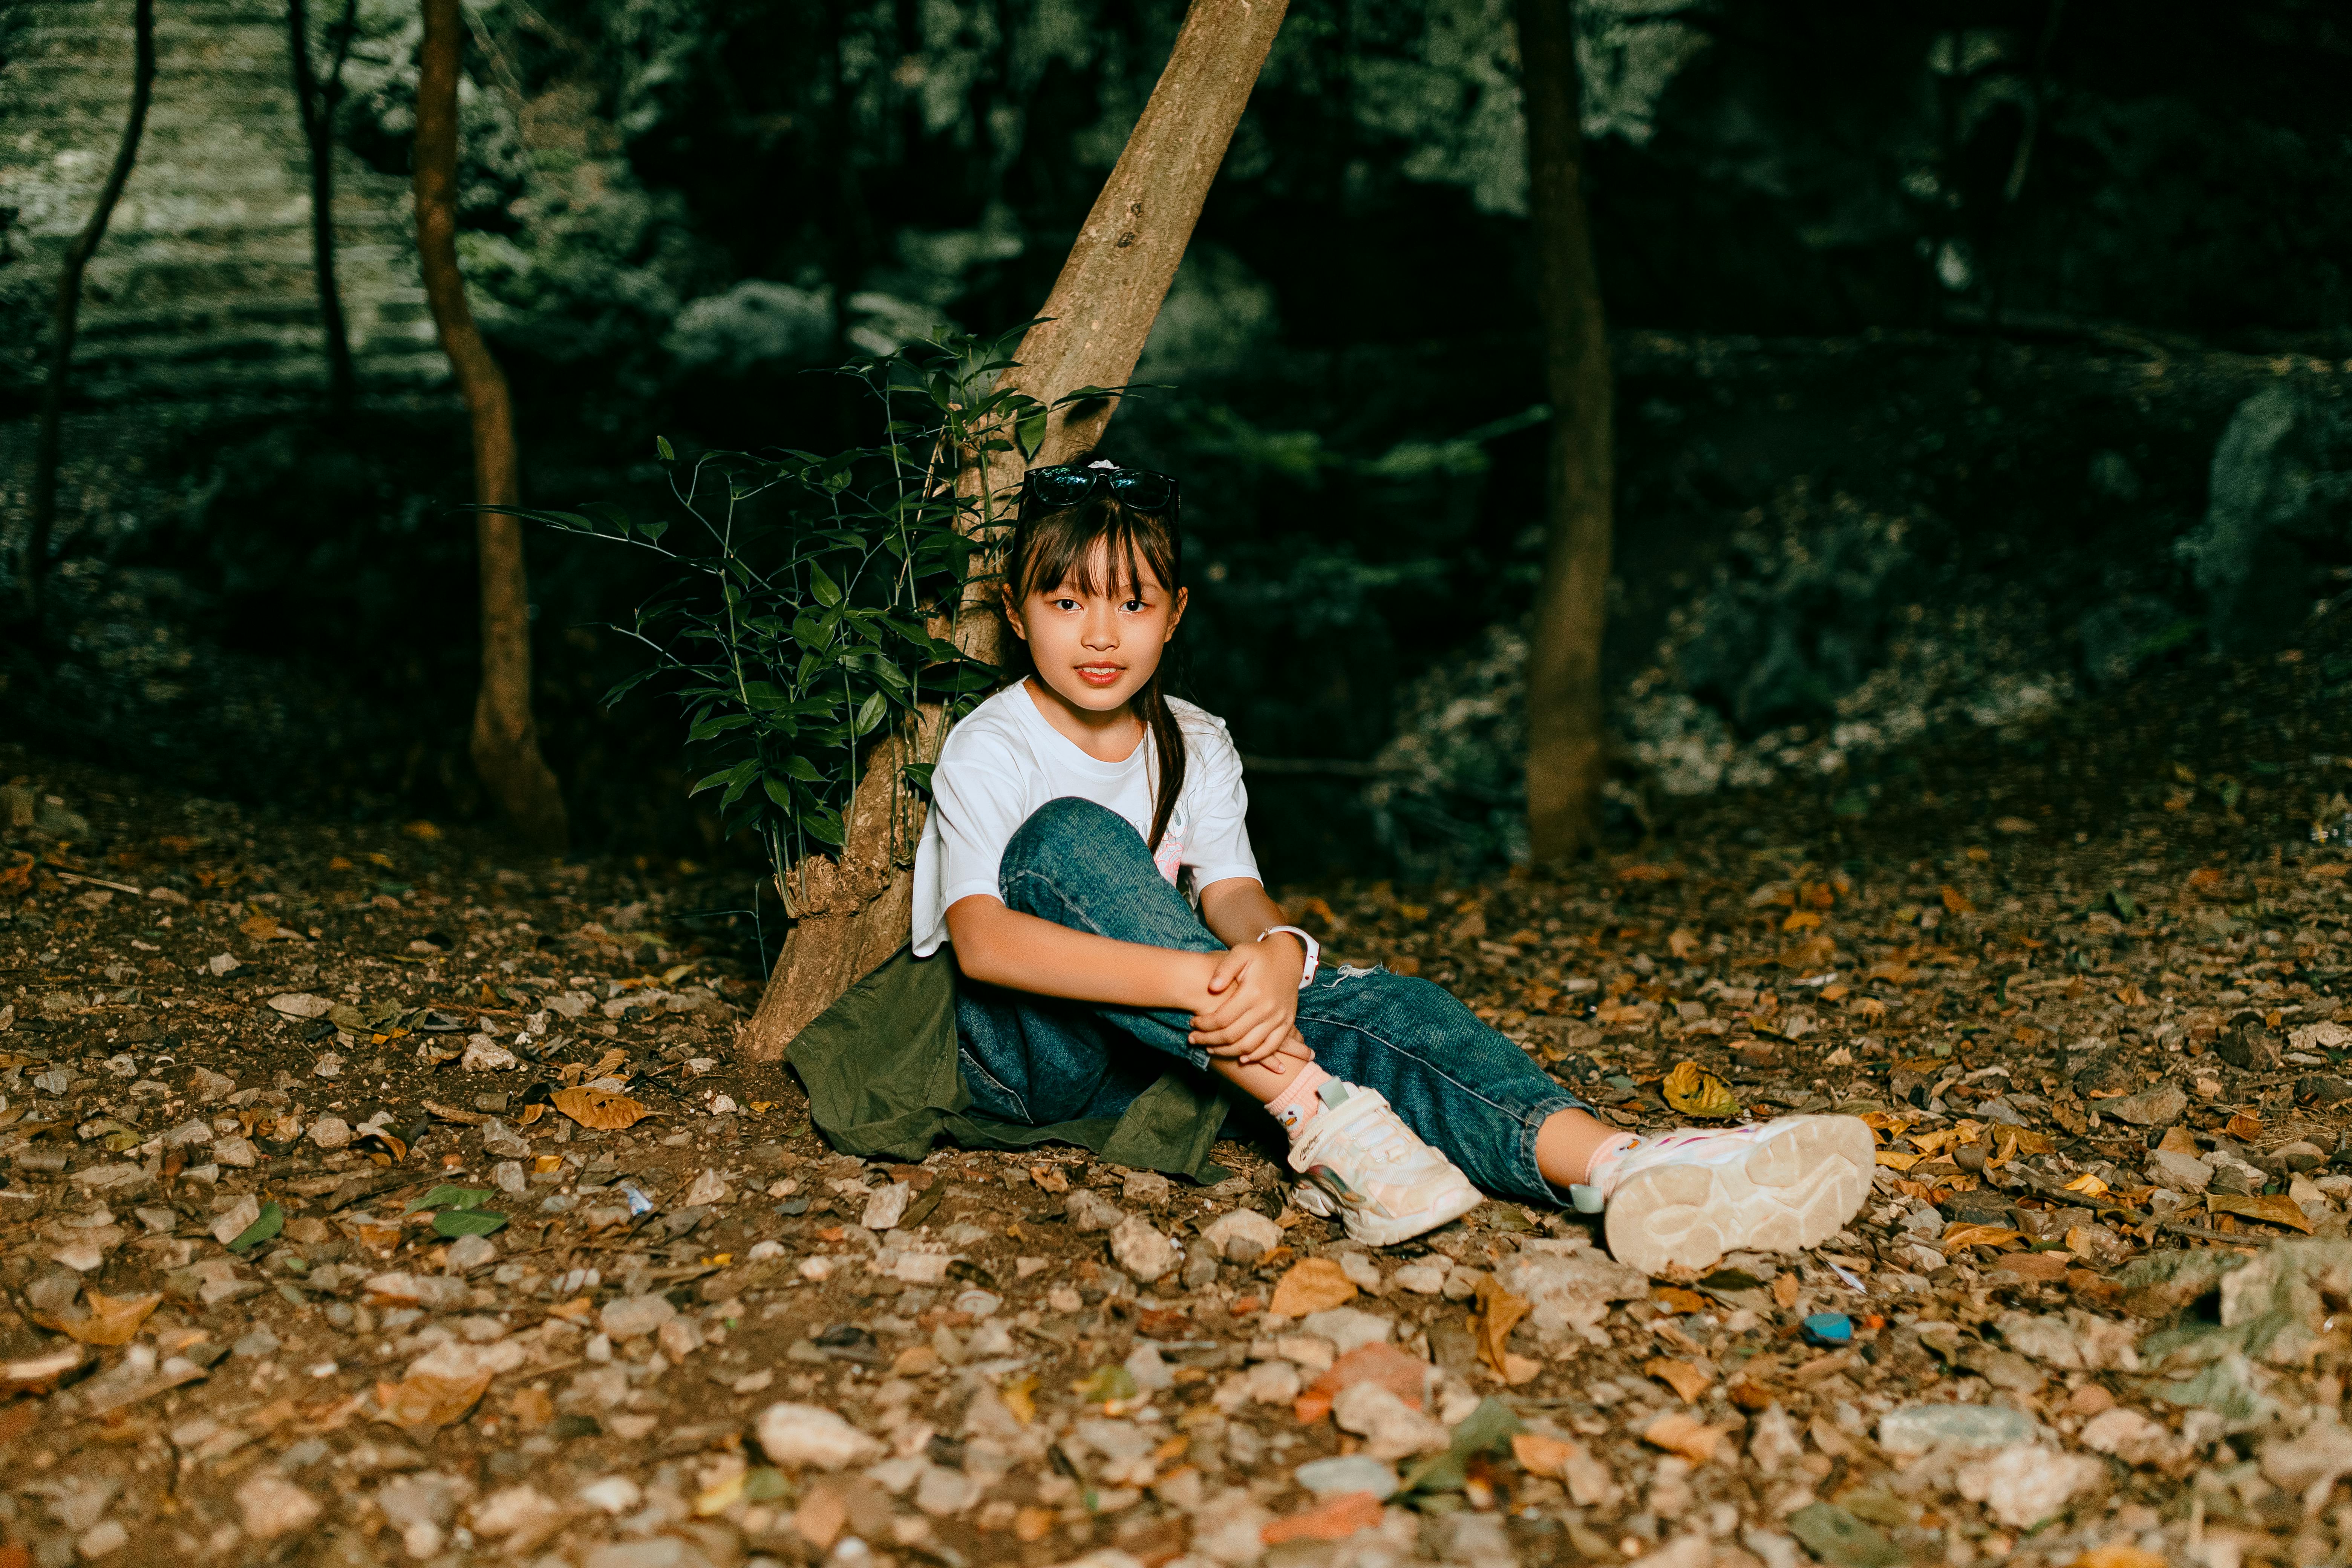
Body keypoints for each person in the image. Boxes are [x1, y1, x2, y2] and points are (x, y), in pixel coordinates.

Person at [909, 455, 1873, 1271]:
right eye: (1066, 600)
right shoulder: (995, 745)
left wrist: (1278, 951)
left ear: (1177, 611)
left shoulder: (1195, 741)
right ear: (1015, 609)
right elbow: (985, 942)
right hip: (1032, 1054)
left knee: (1384, 1002)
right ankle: (1320, 1116)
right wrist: (1212, 977)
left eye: (1133, 601)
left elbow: (1234, 890)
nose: (1103, 633)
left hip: (1172, 1036)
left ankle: (1619, 1164)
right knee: (1068, 837)